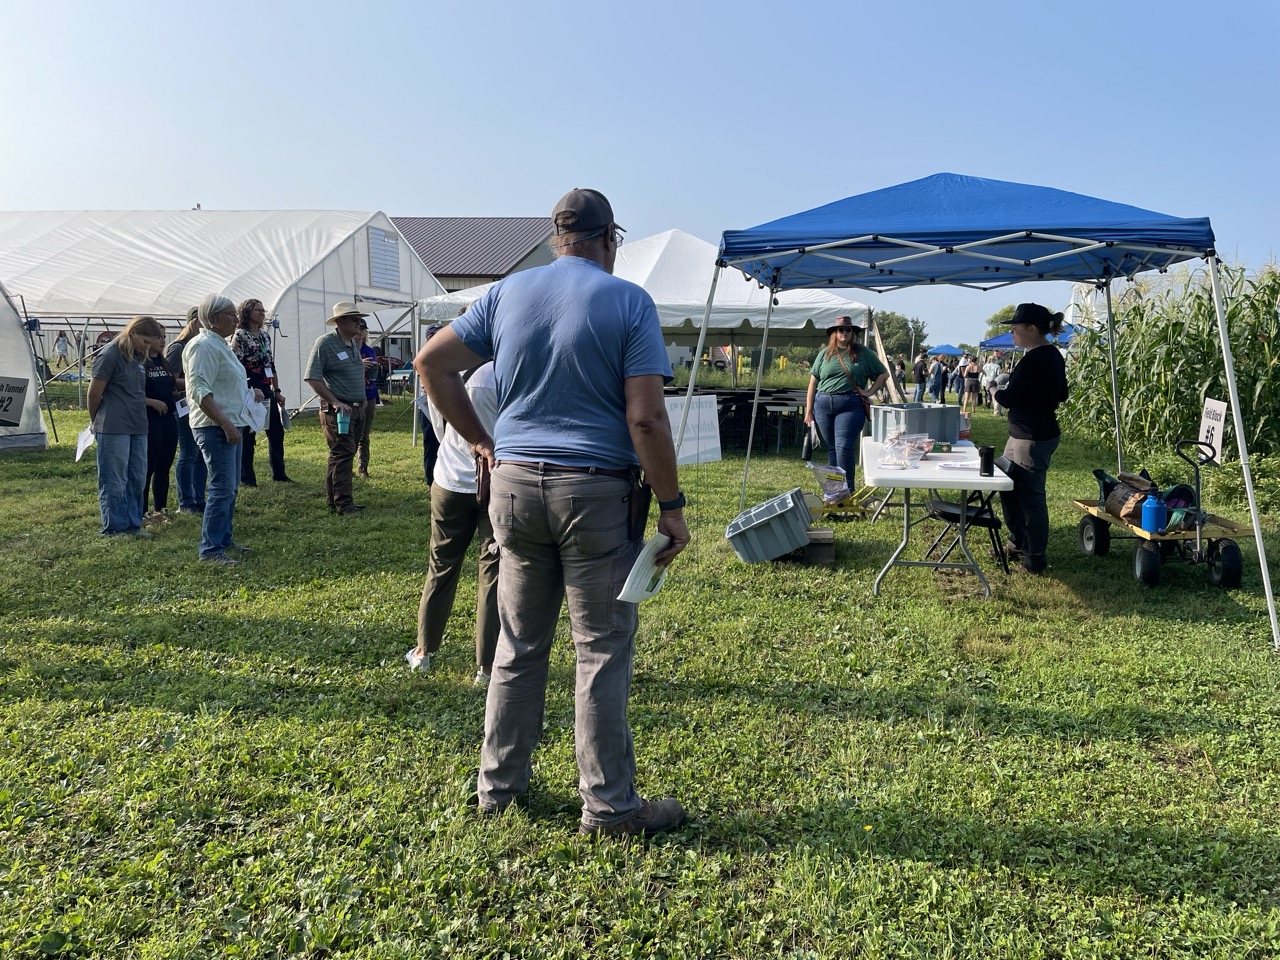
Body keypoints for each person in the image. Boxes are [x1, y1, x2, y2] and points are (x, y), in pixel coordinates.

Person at [416, 187, 690, 838]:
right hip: (595, 493)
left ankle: (498, 790)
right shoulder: (628, 301)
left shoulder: (506, 293)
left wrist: (480, 440)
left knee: (517, 645)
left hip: (512, 487)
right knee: (599, 650)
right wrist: (672, 506)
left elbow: (431, 362)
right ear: (609, 238)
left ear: (556, 238)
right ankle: (610, 807)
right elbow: (646, 418)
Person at [407, 360, 500, 684]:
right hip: (497, 480)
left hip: (450, 479)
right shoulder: (507, 371)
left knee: (441, 566)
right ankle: (487, 668)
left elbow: (438, 426)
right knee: (493, 574)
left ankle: (423, 652)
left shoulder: (446, 372)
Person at [994, 303, 1070, 574]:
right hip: (1024, 434)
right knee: (1009, 490)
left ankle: (1034, 559)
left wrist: (994, 390)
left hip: (1031, 438)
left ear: (1032, 329)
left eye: (1015, 328)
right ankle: (1018, 543)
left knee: (1029, 498)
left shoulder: (1035, 360)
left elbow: (1008, 397)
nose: (1012, 332)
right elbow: (1063, 394)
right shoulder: (1053, 356)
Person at [184, 294, 259, 565]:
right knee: (221, 487)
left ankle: (223, 539)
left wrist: (250, 394)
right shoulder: (203, 346)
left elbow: (224, 385)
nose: (236, 319)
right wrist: (225, 423)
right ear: (213, 318)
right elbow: (199, 389)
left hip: (231, 422)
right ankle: (210, 550)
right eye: (230, 314)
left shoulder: (221, 345)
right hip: (216, 426)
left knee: (230, 488)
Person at [87, 315, 167, 537]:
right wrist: (95, 421)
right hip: (113, 426)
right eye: (145, 341)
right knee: (115, 478)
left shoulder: (138, 357)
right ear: (132, 333)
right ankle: (114, 527)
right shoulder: (109, 355)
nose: (148, 347)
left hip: (138, 425)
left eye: (151, 343)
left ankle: (133, 524)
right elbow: (94, 395)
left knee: (137, 477)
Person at [803, 316, 888, 484]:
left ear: (852, 332)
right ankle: (836, 489)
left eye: (848, 329)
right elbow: (813, 383)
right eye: (840, 329)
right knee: (832, 449)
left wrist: (869, 392)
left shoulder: (863, 352)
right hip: (823, 404)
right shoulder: (825, 354)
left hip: (850, 405)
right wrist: (809, 410)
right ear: (834, 333)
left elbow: (884, 374)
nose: (844, 332)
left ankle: (847, 489)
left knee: (843, 447)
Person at [304, 302, 369, 515]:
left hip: (357, 408)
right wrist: (334, 402)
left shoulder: (352, 344)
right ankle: (344, 504)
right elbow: (313, 377)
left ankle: (336, 501)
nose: (359, 324)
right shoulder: (325, 343)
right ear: (339, 321)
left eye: (360, 320)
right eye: (354, 319)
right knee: (343, 453)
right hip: (339, 411)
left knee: (342, 454)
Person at [230, 299, 291, 485]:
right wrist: (249, 388)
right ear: (247, 312)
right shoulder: (240, 336)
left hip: (266, 388)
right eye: (258, 310)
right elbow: (236, 366)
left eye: (263, 310)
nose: (262, 313)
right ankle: (247, 477)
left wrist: (277, 390)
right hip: (249, 388)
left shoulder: (265, 336)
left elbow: (270, 364)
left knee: (276, 431)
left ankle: (279, 473)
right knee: (249, 435)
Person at [166, 309, 208, 514]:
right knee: (188, 453)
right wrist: (196, 383)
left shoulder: (202, 345)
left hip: (199, 403)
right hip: (184, 405)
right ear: (193, 322)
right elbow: (171, 379)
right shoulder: (178, 348)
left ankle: (199, 498)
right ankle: (186, 502)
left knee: (200, 454)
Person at [141, 334, 179, 524]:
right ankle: (142, 511)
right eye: (157, 337)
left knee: (165, 465)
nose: (162, 341)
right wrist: (151, 402)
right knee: (149, 466)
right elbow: (132, 393)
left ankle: (160, 509)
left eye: (164, 337)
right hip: (151, 419)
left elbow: (170, 387)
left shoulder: (163, 363)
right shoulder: (141, 363)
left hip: (169, 418)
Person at [354, 320, 380, 478]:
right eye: (357, 328)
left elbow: (373, 373)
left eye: (363, 329)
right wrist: (359, 365)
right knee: (350, 434)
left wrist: (374, 368)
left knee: (364, 434)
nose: (359, 332)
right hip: (351, 395)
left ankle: (363, 467)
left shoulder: (369, 350)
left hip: (369, 393)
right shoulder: (347, 349)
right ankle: (345, 466)